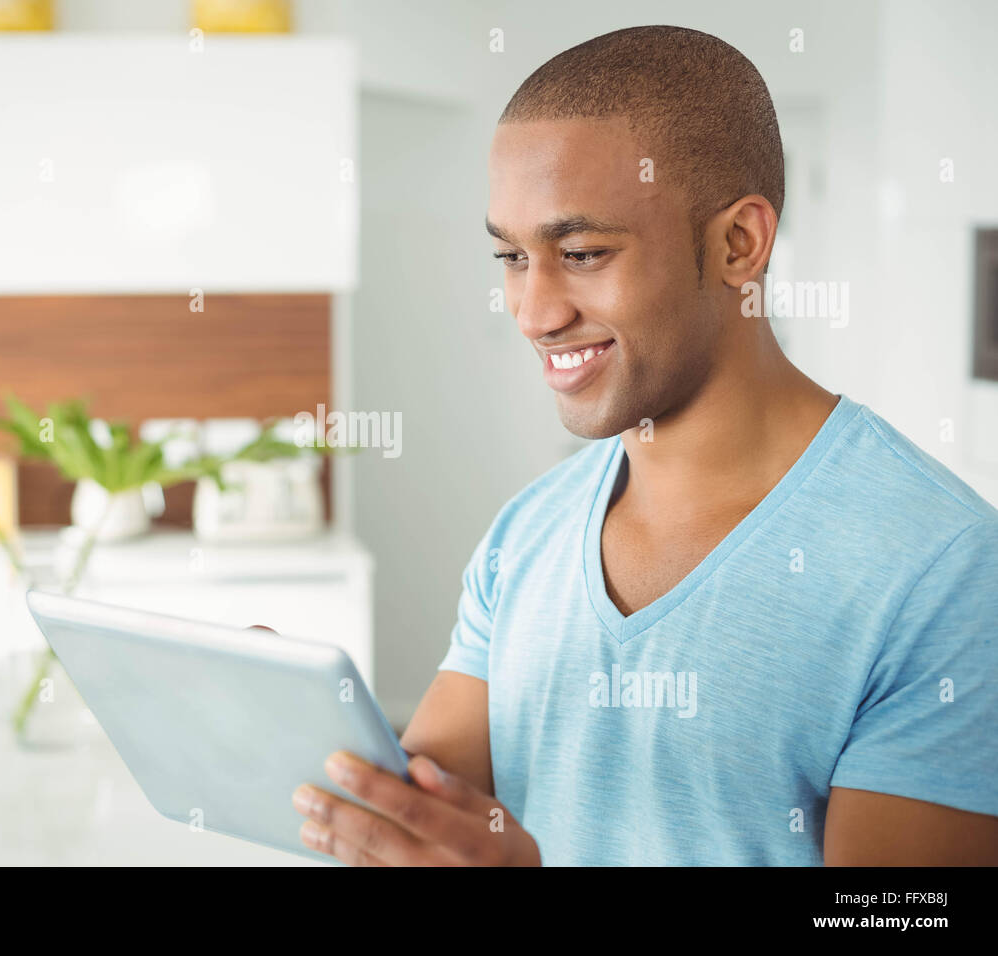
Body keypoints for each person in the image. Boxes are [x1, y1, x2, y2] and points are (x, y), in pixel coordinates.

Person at [291, 25, 998, 865]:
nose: (533, 312)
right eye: (513, 257)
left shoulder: (942, 569)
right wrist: (307, 740)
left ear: (740, 244)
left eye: (582, 253)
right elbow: (436, 800)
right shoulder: (527, 536)